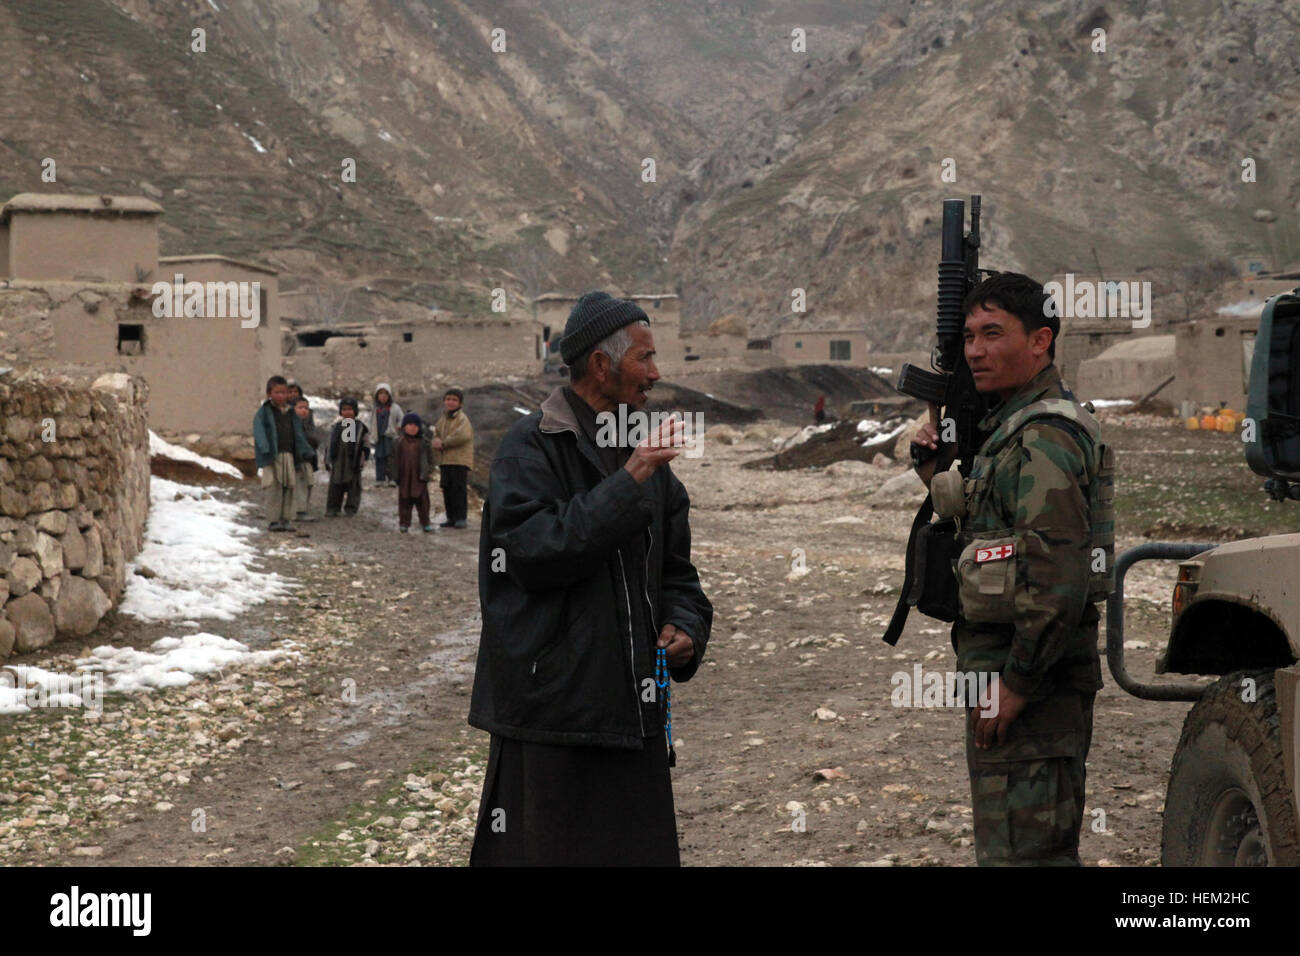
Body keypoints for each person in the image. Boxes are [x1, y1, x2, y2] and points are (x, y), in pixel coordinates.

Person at [469, 290, 713, 866]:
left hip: (633, 710)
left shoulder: (642, 450)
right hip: (553, 715)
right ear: (602, 364)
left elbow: (677, 570)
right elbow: (532, 553)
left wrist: (685, 624)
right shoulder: (530, 447)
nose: (656, 374)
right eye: (644, 359)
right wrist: (628, 481)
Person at [911, 272, 1106, 866]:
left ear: (1041, 340)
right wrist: (938, 475)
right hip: (1005, 673)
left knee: (1029, 858)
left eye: (993, 333)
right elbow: (994, 532)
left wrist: (1018, 684)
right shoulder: (1010, 429)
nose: (975, 351)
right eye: (969, 335)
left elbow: (1055, 580)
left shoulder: (1045, 434)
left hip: (1031, 683)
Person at [253, 375, 314, 533]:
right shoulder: (264, 413)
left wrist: (305, 449)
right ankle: (274, 520)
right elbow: (259, 431)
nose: (281, 396)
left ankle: (286, 519)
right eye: (277, 392)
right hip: (272, 456)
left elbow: (298, 434)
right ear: (269, 394)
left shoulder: (291, 413)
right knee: (274, 487)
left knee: (289, 486)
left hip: (289, 455)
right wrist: (264, 447)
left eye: (284, 392)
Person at [432, 388, 473, 528]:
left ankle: (461, 518)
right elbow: (435, 433)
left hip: (459, 460)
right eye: (448, 399)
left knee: (458, 489)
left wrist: (443, 443)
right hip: (445, 460)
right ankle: (451, 517)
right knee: (447, 489)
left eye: (454, 400)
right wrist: (436, 441)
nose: (450, 402)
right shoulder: (442, 420)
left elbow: (462, 436)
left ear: (460, 403)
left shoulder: (462, 419)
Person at [325, 398, 371, 516]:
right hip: (338, 461)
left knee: (353, 485)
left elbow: (365, 444)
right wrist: (328, 459)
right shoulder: (337, 427)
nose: (347, 412)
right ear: (341, 412)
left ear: (355, 411)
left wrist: (363, 458)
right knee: (335, 485)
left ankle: (351, 509)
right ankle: (333, 508)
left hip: (353, 462)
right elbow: (329, 443)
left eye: (350, 409)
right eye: (344, 410)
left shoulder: (360, 427)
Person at [394, 411, 435, 533]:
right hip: (404, 477)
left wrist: (428, 471)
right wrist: (394, 474)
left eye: (415, 425)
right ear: (404, 426)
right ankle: (404, 523)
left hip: (420, 478)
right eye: (409, 425)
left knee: (423, 503)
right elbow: (394, 459)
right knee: (404, 502)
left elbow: (430, 459)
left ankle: (425, 522)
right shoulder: (399, 442)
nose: (412, 428)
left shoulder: (424, 442)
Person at [367, 383, 403, 486]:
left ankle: (392, 478)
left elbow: (402, 419)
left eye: (385, 394)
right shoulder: (375, 409)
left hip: (390, 437)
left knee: (391, 458)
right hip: (379, 437)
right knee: (379, 457)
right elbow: (371, 421)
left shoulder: (395, 408)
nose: (383, 396)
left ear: (389, 395)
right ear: (377, 396)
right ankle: (380, 479)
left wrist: (398, 427)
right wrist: (371, 433)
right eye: (380, 394)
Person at [293, 396, 320, 522]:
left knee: (308, 484)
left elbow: (314, 440)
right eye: (300, 408)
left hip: (308, 459)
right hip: (299, 460)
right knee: (300, 485)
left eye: (306, 408)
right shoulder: (293, 424)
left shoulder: (308, 424)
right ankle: (299, 511)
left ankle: (303, 508)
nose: (304, 410)